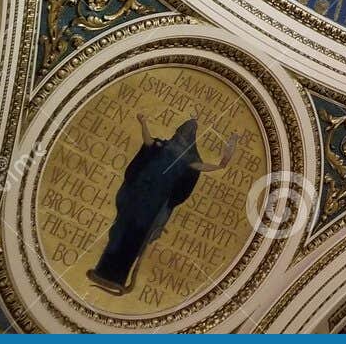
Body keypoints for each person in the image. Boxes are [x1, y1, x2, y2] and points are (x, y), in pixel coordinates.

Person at [87, 115, 238, 296]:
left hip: (152, 207)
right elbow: (148, 142)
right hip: (137, 198)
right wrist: (143, 123)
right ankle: (102, 271)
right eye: (182, 132)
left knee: (135, 240)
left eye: (186, 134)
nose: (182, 136)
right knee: (118, 232)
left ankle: (117, 278)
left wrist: (222, 163)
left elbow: (203, 167)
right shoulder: (162, 147)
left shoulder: (189, 160)